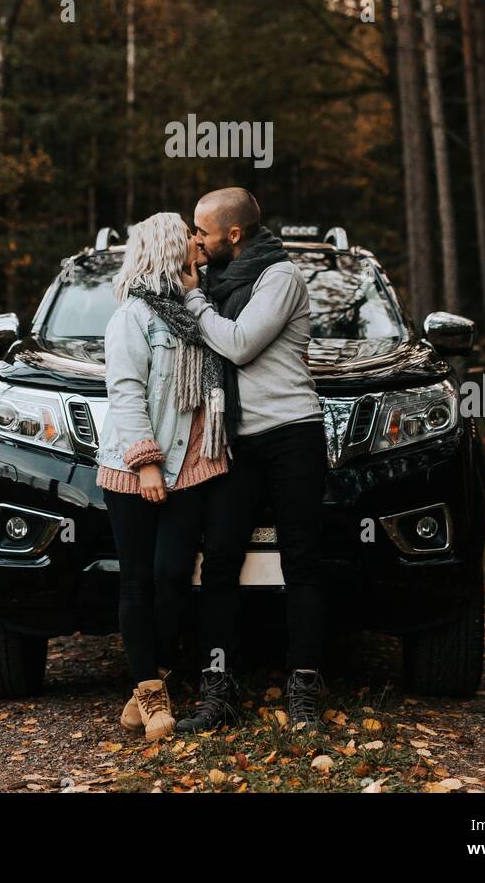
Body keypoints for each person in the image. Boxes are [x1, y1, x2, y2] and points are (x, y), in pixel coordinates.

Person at [175, 187, 329, 734]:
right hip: (232, 438)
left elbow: (239, 344)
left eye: (202, 230)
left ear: (232, 234)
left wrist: (194, 301)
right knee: (219, 562)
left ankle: (304, 689)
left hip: (291, 434)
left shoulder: (279, 278)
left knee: (303, 561)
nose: (196, 238)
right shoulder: (213, 281)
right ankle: (217, 691)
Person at [95, 211, 229, 741]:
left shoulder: (196, 309)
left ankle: (148, 685)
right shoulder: (132, 317)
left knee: (174, 576)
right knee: (137, 580)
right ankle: (152, 695)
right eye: (190, 235)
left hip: (193, 468)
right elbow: (125, 391)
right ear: (171, 247)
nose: (200, 240)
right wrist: (146, 460)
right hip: (137, 468)